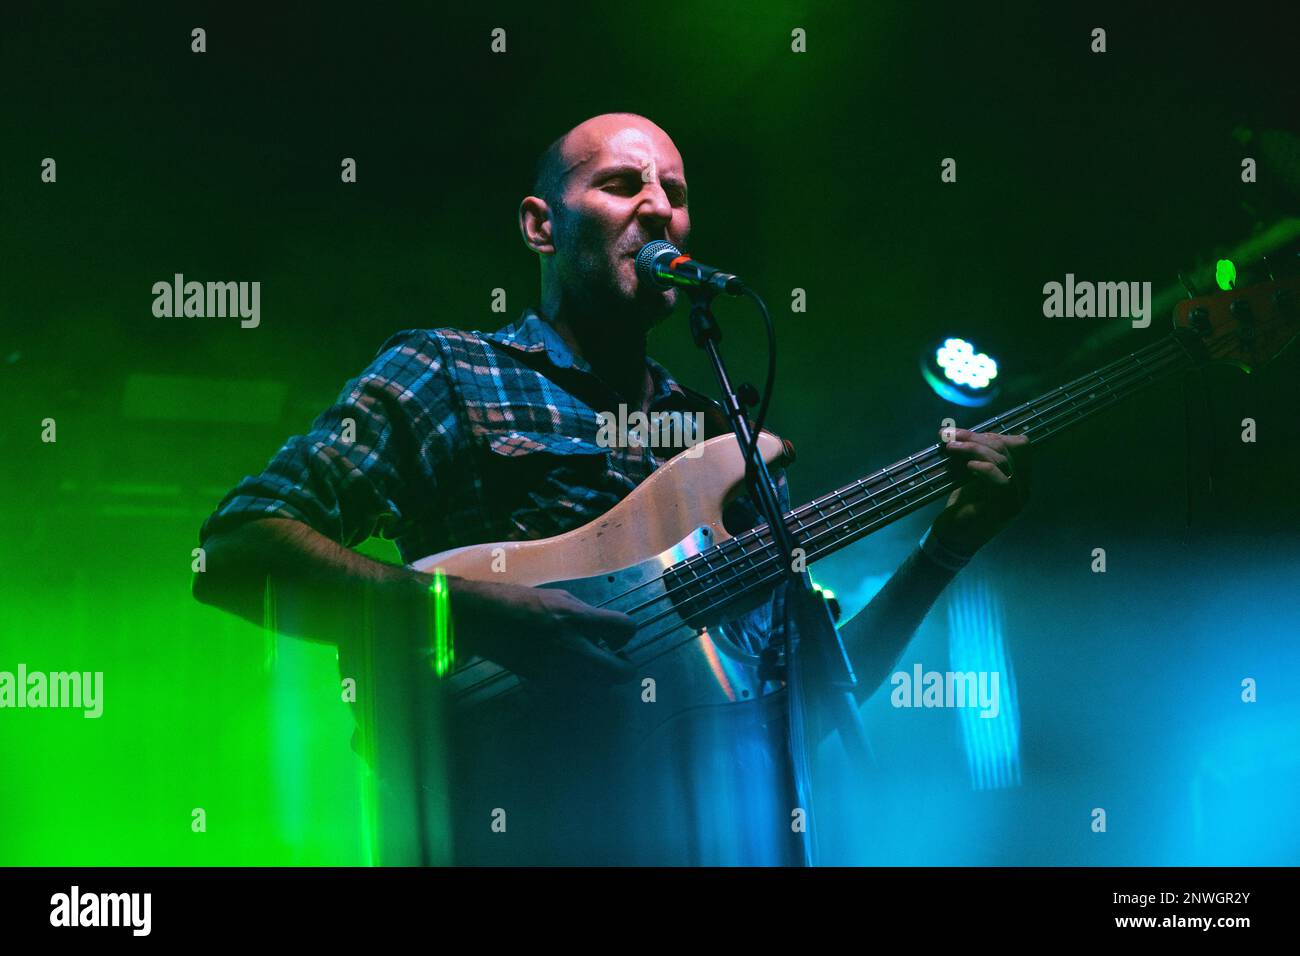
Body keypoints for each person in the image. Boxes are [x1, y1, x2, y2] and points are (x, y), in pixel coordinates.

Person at [192, 112, 1030, 865]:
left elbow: (813, 696)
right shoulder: (450, 370)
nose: (659, 206)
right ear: (540, 224)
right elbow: (233, 548)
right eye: (623, 183)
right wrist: (469, 610)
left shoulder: (720, 437)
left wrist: (944, 548)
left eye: (675, 191)